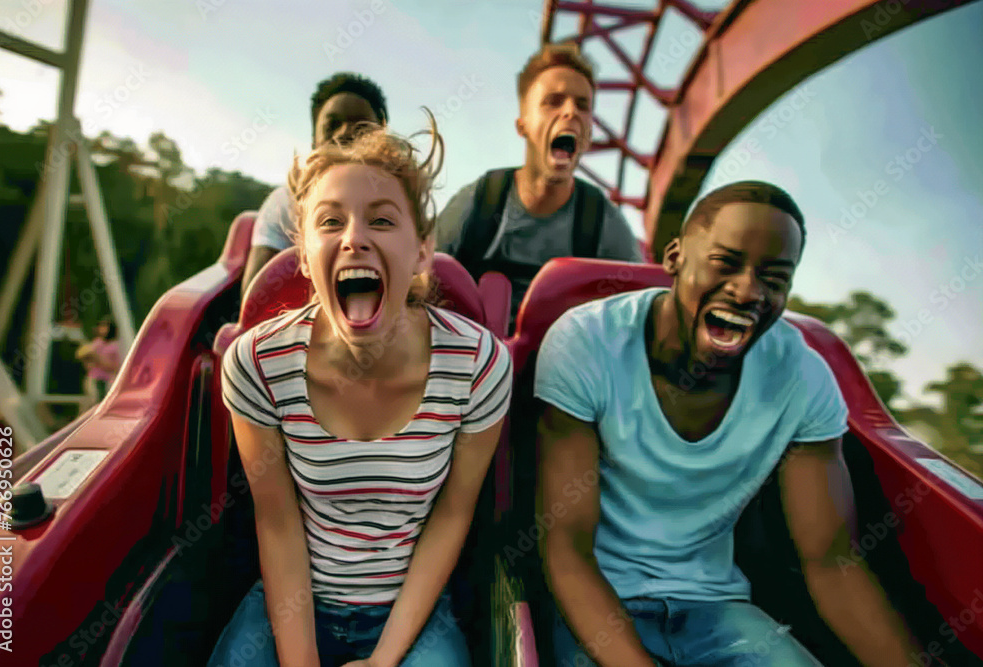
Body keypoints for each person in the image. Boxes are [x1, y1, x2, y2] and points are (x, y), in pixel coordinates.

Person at [535, 181, 919, 666]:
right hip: (595, 602)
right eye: (726, 263)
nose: (748, 291)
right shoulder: (587, 343)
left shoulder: (803, 378)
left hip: (717, 607)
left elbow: (831, 562)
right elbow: (565, 544)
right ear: (675, 257)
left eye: (774, 277)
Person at [210, 118, 512, 666]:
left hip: (412, 612)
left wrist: (383, 659)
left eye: (381, 220)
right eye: (330, 222)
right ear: (303, 255)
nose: (354, 237)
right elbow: (276, 523)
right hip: (295, 602)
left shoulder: (479, 364)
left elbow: (451, 515)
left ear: (422, 252)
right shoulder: (256, 362)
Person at [434, 42, 643, 324]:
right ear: (523, 125)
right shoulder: (482, 201)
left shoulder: (601, 221)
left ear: (589, 132)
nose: (570, 112)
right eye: (553, 101)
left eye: (582, 105)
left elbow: (642, 310)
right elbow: (419, 281)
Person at [241, 72, 389, 291]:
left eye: (362, 127)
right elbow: (254, 294)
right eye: (333, 125)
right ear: (314, 140)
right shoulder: (285, 203)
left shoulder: (401, 202)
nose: (346, 132)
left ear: (383, 138)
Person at [77, 317, 121, 405]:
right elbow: (84, 356)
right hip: (95, 378)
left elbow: (115, 366)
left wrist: (98, 358)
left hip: (108, 380)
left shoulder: (116, 345)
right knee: (93, 401)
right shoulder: (97, 342)